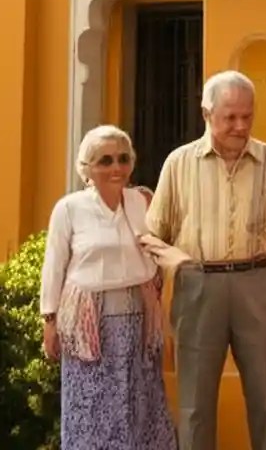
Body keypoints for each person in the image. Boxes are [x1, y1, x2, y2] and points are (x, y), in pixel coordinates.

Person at [141, 70, 266, 450]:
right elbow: (151, 234)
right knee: (195, 405)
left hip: (260, 283)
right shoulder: (178, 163)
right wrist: (179, 262)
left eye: (247, 116)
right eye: (230, 117)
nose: (240, 125)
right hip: (198, 285)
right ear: (206, 113)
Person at [40, 125, 176, 449]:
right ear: (87, 169)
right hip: (89, 326)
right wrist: (50, 320)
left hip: (138, 322)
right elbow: (54, 264)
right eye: (105, 161)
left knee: (140, 401)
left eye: (123, 159)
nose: (116, 168)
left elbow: (160, 249)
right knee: (91, 403)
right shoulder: (69, 208)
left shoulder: (142, 201)